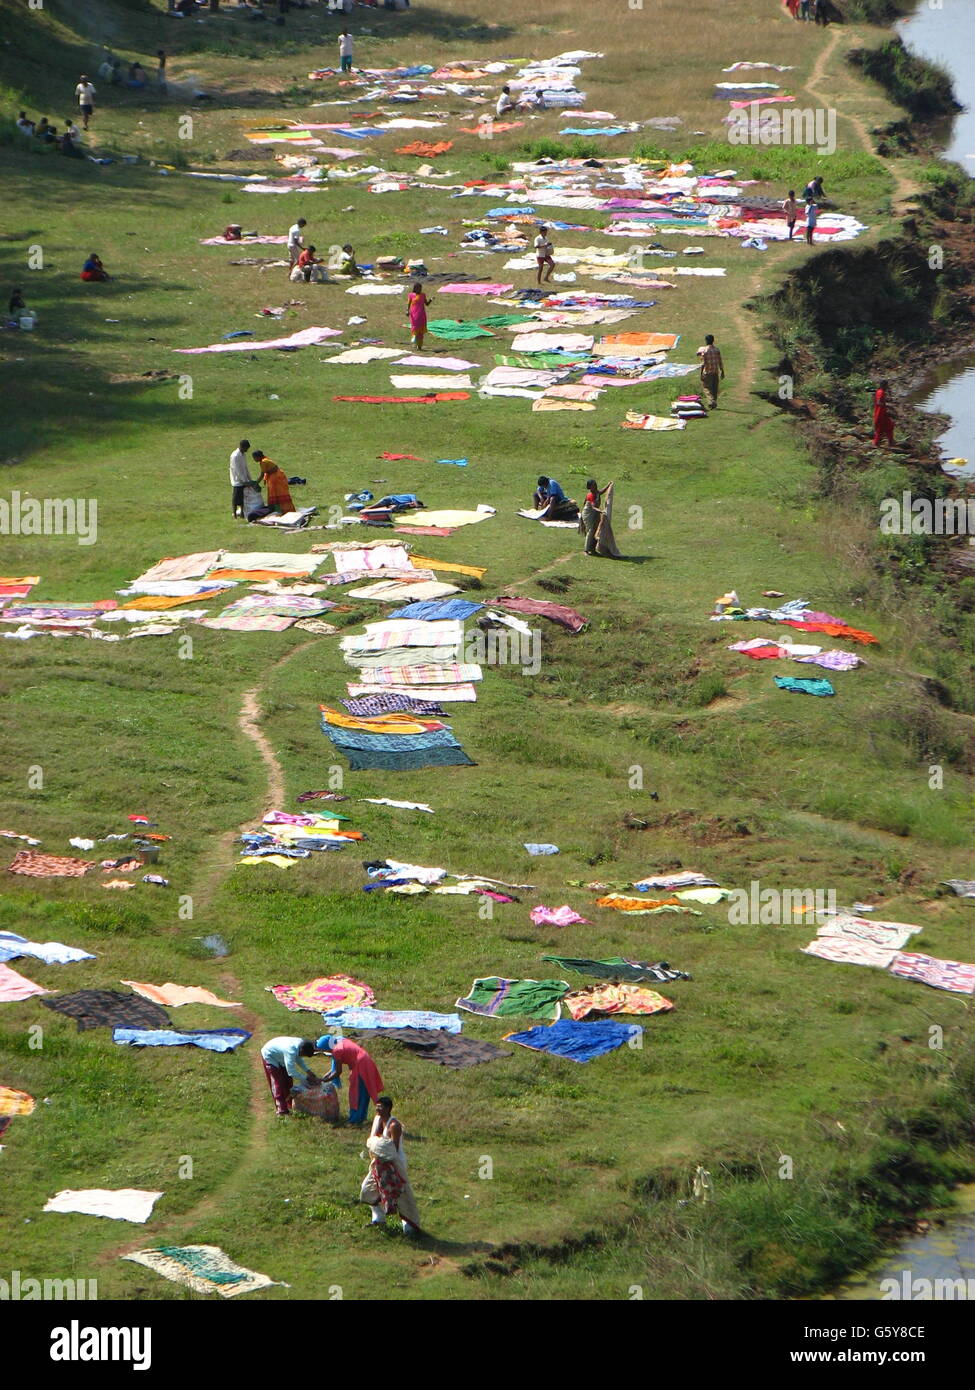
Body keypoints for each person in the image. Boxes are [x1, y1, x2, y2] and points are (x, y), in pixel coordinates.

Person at [359, 1095, 421, 1236]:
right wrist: (376, 1144)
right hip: (379, 1163)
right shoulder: (377, 1119)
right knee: (367, 1188)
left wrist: (376, 1144)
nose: (378, 1110)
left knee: (400, 1194)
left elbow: (391, 1149)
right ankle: (378, 1218)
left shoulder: (394, 1126)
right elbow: (372, 1140)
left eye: (380, 1107)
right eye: (377, 1107)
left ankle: (409, 1226)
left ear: (388, 1109)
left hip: (394, 1164)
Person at [317, 1034, 383, 1125]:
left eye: (323, 1049)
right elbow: (334, 1069)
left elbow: (337, 1072)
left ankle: (355, 1120)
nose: (324, 1051)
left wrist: (324, 1080)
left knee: (357, 1094)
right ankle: (361, 1117)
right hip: (365, 1062)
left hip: (360, 1066)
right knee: (363, 1093)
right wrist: (323, 1078)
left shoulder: (337, 1050)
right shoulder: (340, 1042)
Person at [260, 1036, 322, 1117]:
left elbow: (299, 1059)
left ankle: (290, 1104)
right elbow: (291, 1072)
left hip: (280, 1055)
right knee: (278, 1083)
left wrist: (308, 1071)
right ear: (302, 1050)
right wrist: (306, 1078)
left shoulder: (301, 1044)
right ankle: (282, 1111)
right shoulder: (290, 1050)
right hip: (270, 1055)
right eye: (303, 1055)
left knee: (288, 1081)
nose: (302, 1056)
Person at [581, 478, 608, 556]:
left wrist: (608, 485)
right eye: (594, 485)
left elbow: (601, 491)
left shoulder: (596, 492)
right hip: (588, 513)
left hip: (595, 513)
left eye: (596, 485)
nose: (595, 486)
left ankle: (592, 549)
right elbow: (593, 507)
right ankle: (586, 550)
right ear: (590, 487)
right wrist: (601, 511)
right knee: (591, 531)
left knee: (596, 530)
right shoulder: (590, 495)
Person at [697, 334, 724, 409]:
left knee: (706, 388)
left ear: (706, 341)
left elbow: (703, 363)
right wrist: (722, 371)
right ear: (713, 341)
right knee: (714, 388)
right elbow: (720, 361)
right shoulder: (717, 350)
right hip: (715, 372)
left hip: (707, 372)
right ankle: (713, 404)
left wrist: (701, 373)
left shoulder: (704, 351)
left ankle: (711, 401)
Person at [229, 437, 253, 518]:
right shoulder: (235, 456)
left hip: (244, 480)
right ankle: (235, 514)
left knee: (243, 498)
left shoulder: (243, 455)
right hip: (237, 481)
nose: (247, 450)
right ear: (242, 447)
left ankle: (242, 512)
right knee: (236, 499)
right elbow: (237, 470)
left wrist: (249, 479)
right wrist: (244, 480)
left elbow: (245, 467)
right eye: (246, 448)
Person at [407, 282, 431, 350]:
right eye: (418, 288)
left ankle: (419, 346)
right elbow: (408, 304)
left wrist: (431, 300)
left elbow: (426, 304)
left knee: (421, 331)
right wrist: (407, 311)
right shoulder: (411, 295)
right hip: (414, 315)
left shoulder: (423, 295)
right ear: (415, 289)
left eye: (420, 288)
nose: (420, 290)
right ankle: (415, 341)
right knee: (415, 329)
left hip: (422, 315)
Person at [872, 381, 895, 447]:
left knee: (889, 426)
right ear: (884, 385)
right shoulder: (881, 392)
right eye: (886, 386)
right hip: (880, 413)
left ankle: (890, 441)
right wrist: (886, 406)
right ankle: (876, 443)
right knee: (880, 429)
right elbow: (879, 402)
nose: (887, 387)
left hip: (882, 413)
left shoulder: (879, 391)